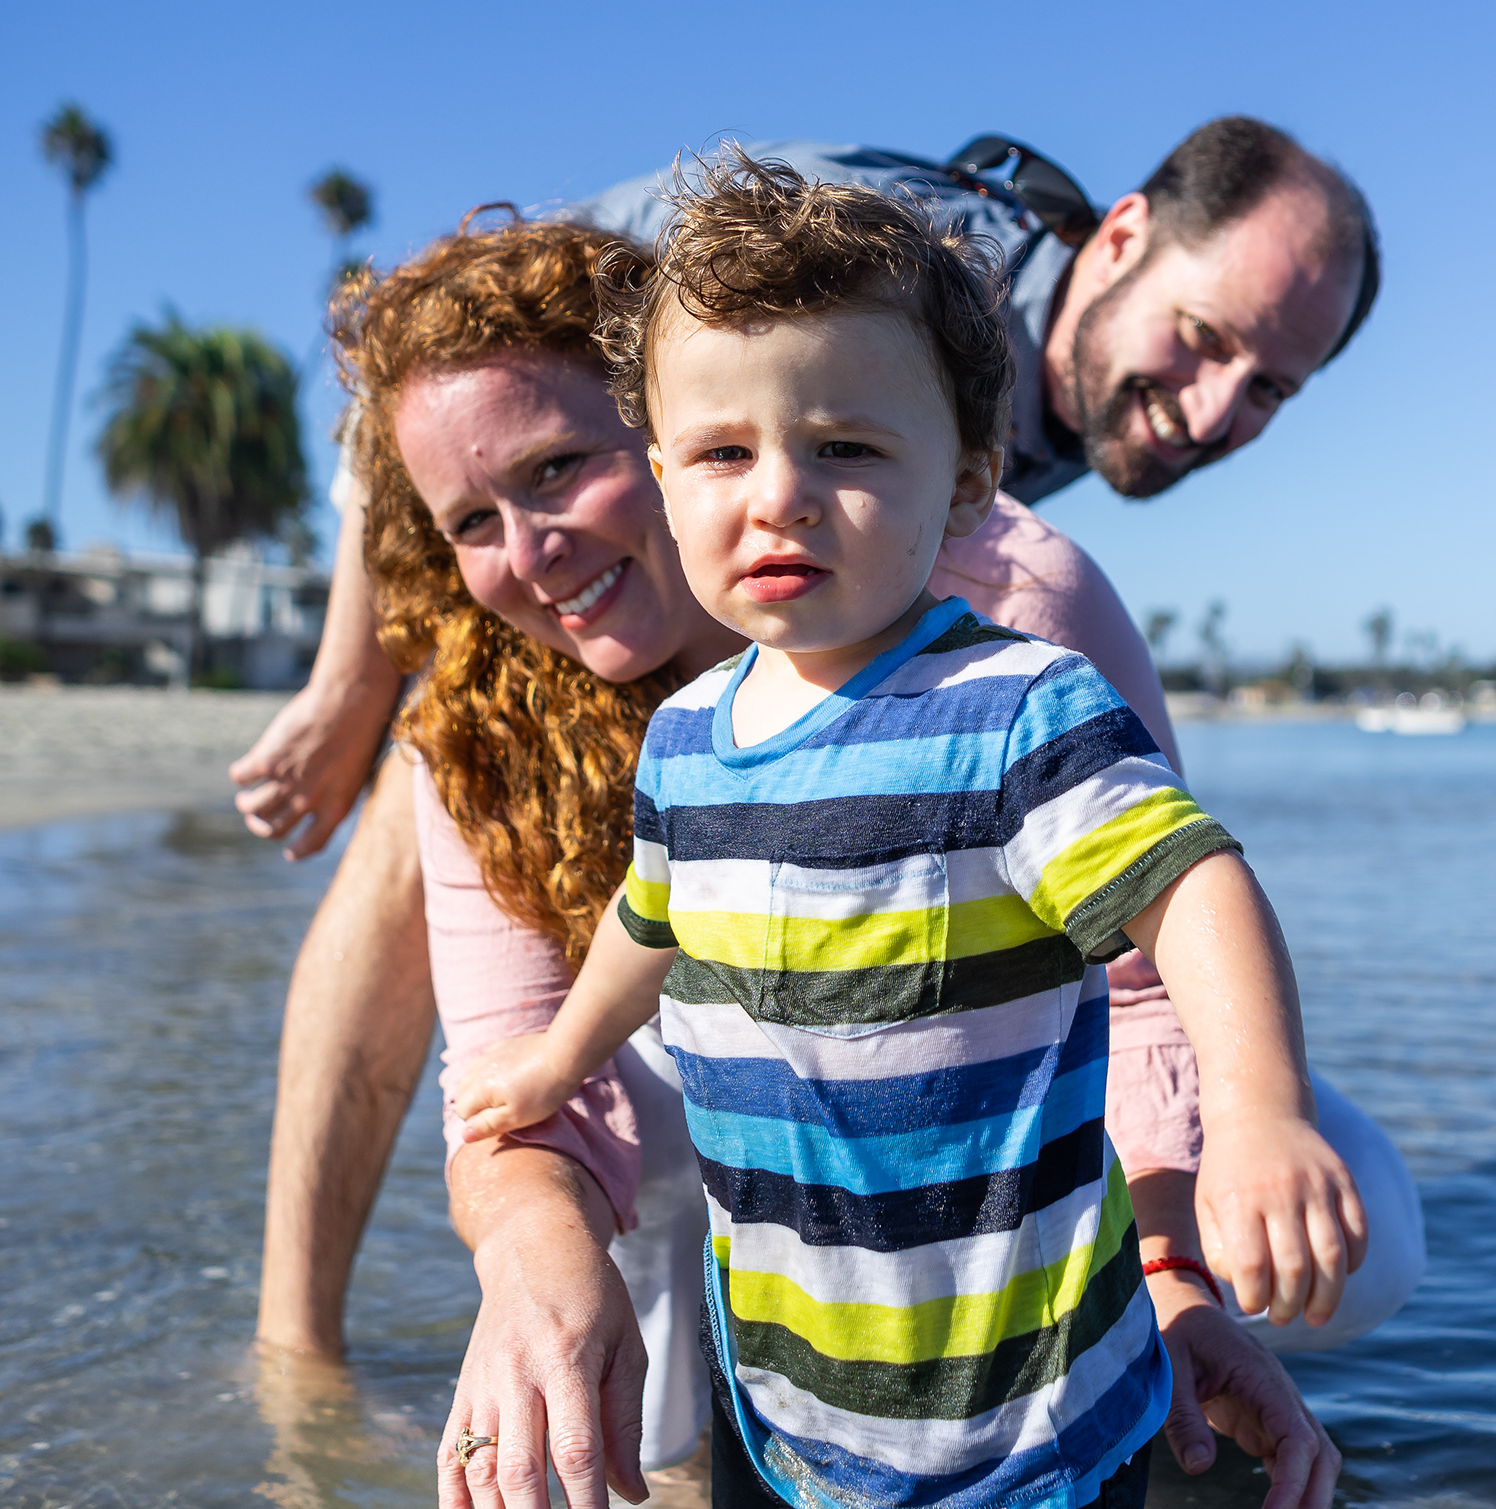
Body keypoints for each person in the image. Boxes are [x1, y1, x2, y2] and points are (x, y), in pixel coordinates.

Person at [447, 158, 1364, 1509]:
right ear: (661, 472)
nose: (780, 493)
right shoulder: (693, 734)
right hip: (795, 1354)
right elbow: (651, 915)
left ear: (966, 475)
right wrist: (559, 1064)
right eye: (722, 451)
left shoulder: (1013, 711)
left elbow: (1192, 889)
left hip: (1000, 1397)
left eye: (849, 448)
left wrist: (1255, 1114)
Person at [240, 117, 1395, 1370]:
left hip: (972, 1057)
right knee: (442, 797)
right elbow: (435, 401)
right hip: (735, 1075)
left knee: (1360, 1237)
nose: (1216, 408)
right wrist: (349, 685)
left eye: (845, 445)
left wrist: (1182, 1240)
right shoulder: (794, 256)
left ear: (963, 472)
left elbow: (1156, 947)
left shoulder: (1013, 605)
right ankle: (298, 1344)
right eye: (1207, 336)